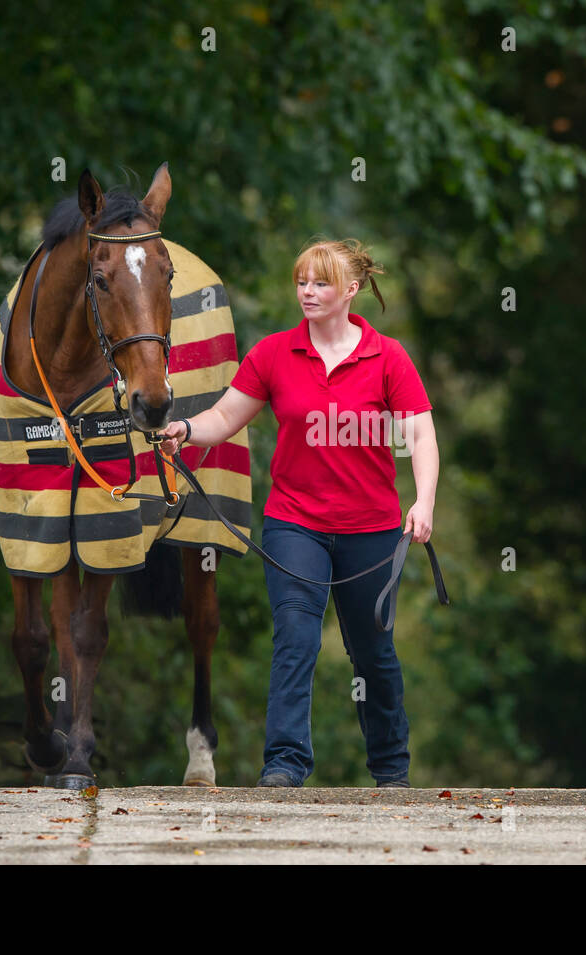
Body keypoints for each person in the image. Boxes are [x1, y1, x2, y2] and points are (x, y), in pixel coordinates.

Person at [156, 238, 439, 788]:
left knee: (373, 652)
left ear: (350, 290)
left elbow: (421, 434)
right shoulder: (274, 354)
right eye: (302, 281)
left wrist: (423, 501)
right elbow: (225, 416)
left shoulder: (388, 357)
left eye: (321, 283)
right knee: (295, 639)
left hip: (372, 530)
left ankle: (391, 771)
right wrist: (186, 431)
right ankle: (284, 766)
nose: (307, 292)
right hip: (295, 525)